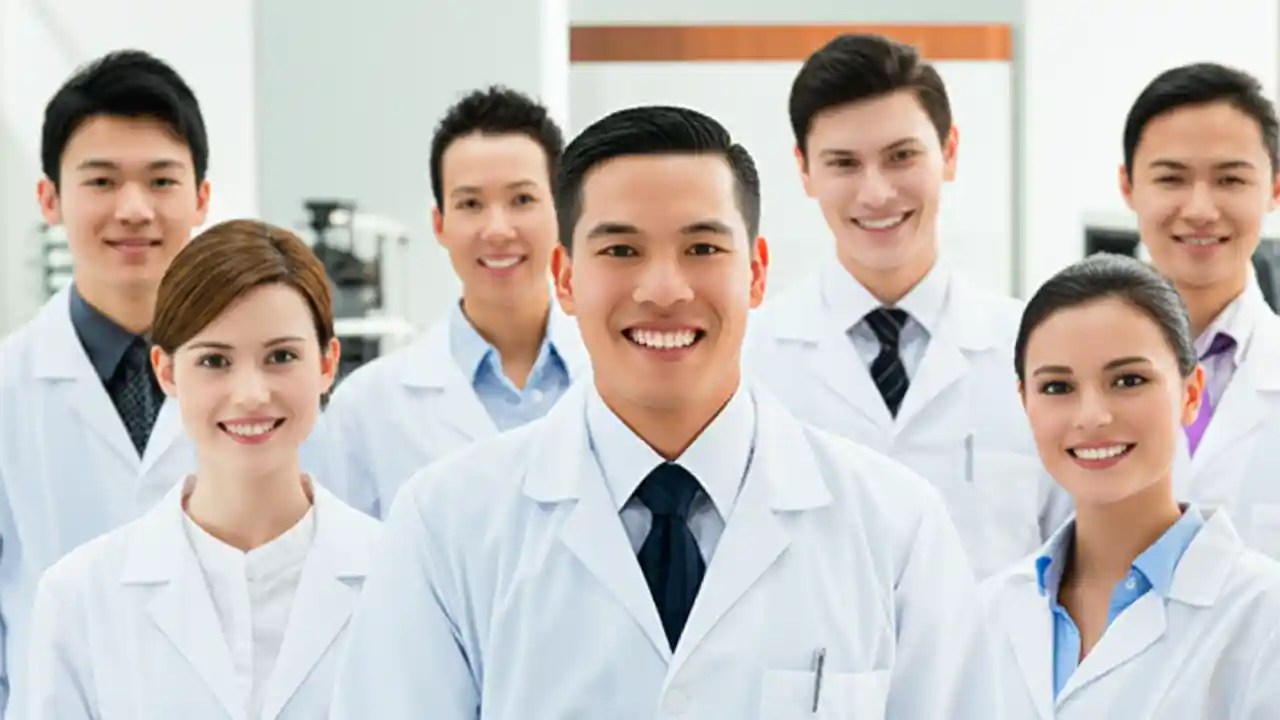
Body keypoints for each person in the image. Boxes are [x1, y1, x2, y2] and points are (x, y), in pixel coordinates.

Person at [331, 105, 1001, 719]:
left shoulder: (894, 526)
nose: (663, 289)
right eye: (621, 251)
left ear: (757, 272)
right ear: (565, 278)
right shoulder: (448, 524)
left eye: (703, 249)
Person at [24, 220, 382, 719]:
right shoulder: (80, 596)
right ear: (167, 372)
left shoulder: (399, 575)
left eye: (281, 356)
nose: (252, 394)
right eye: (215, 361)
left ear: (327, 364)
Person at [745, 33, 1070, 579]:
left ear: (949, 153)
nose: (875, 193)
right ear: (804, 171)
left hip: (993, 663)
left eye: (901, 157)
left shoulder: (1035, 347)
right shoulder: (751, 358)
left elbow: (1076, 551)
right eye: (844, 163)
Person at [0, 50, 211, 713]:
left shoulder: (263, 384)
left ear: (201, 198)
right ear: (49, 199)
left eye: (161, 180)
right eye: (101, 181)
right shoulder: (10, 388)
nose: (133, 209)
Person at [983, 253, 1280, 718]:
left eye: (1128, 380)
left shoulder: (1262, 614)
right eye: (1058, 388)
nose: (1092, 417)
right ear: (1025, 402)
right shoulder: (987, 613)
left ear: (1190, 394)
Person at [318, 86, 588, 519]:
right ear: (440, 224)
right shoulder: (367, 410)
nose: (498, 229)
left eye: (522, 199)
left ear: (562, 212)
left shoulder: (617, 379)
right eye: (471, 204)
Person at [1118, 62, 1280, 560]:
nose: (1201, 210)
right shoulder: (1061, 372)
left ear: (1274, 189)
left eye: (1230, 180)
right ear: (1128, 187)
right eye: (1172, 179)